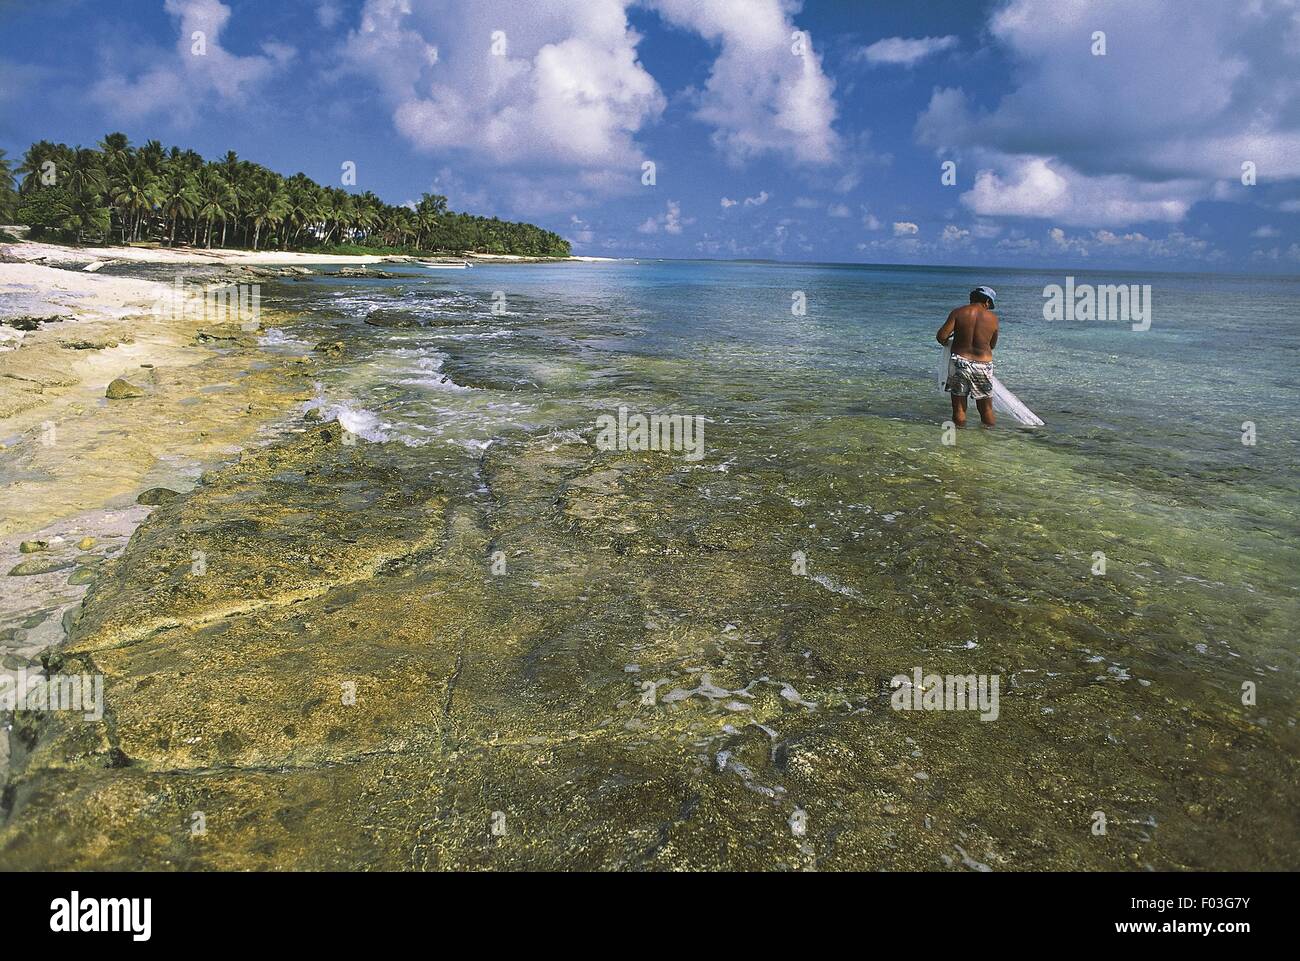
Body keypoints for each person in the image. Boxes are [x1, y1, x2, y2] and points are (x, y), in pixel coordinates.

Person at [937, 285, 999, 428]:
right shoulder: (993, 319)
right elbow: (992, 345)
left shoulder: (958, 313)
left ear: (972, 298)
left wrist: (952, 340)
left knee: (959, 408)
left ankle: (959, 441)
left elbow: (941, 336)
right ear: (987, 302)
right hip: (983, 365)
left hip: (960, 363)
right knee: (986, 409)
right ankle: (988, 440)